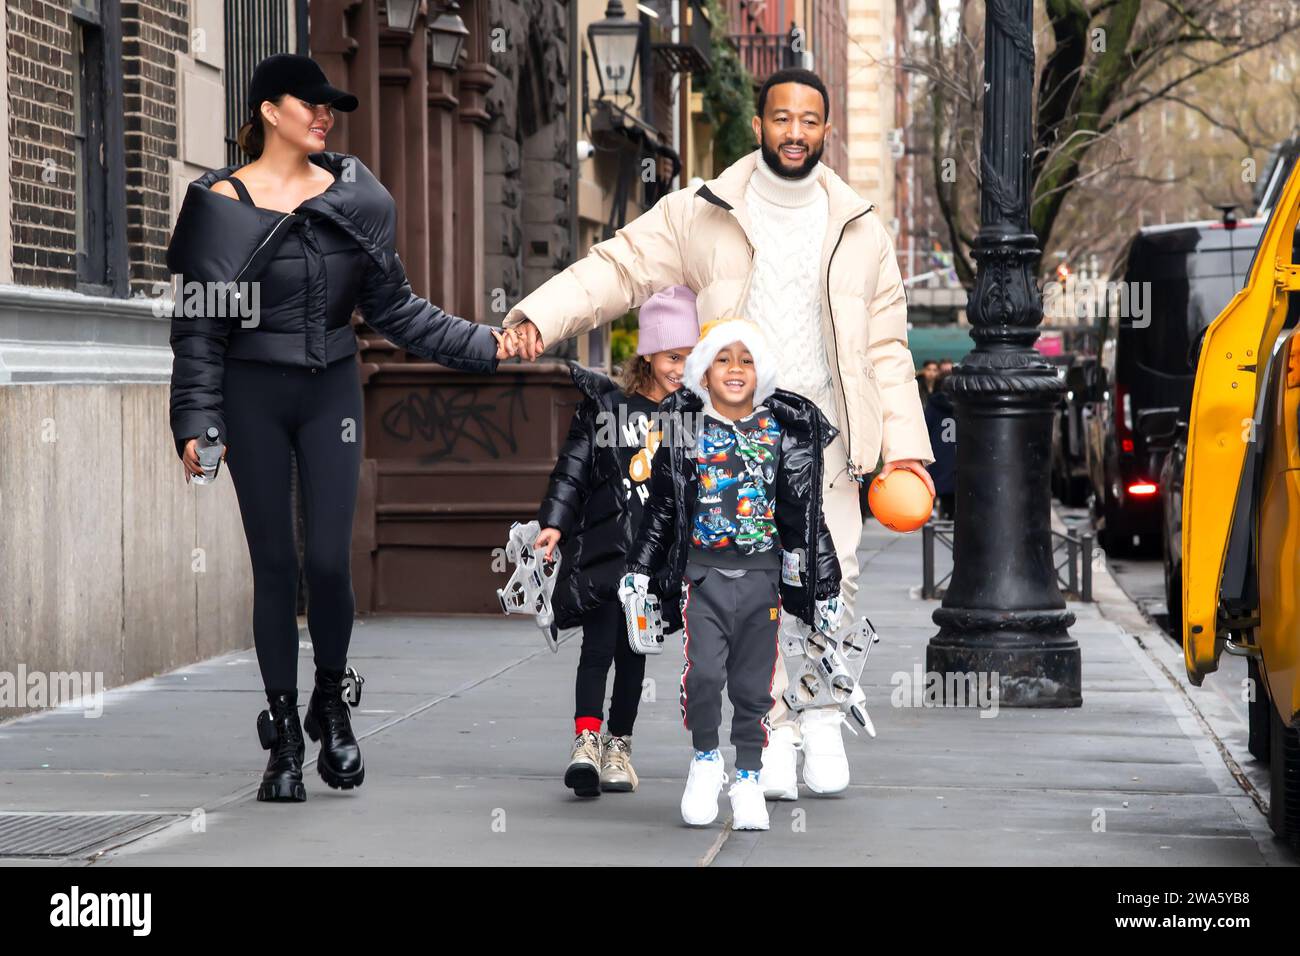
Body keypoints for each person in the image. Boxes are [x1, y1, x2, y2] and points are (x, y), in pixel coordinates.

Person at [505, 67, 934, 797]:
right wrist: (537, 317)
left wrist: (908, 452)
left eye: (809, 121)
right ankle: (770, 729)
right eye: (781, 118)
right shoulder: (703, 212)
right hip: (733, 430)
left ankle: (822, 712)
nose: (794, 132)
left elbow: (886, 349)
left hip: (824, 438)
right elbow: (619, 265)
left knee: (833, 578)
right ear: (758, 125)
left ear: (825, 130)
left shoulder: (861, 226)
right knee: (744, 581)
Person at [164, 53, 519, 803]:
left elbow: (398, 311)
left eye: (332, 106)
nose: (326, 115)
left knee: (327, 560)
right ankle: (284, 738)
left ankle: (332, 698)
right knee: (274, 566)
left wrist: (485, 344)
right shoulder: (219, 205)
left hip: (331, 389)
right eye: (312, 103)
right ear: (269, 110)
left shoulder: (358, 199)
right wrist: (196, 418)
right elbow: (199, 328)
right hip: (250, 393)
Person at [621, 317, 843, 830]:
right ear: (703, 374)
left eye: (746, 360)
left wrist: (824, 584)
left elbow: (805, 518)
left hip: (763, 580)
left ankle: (747, 776)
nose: (735, 369)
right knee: (703, 675)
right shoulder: (685, 432)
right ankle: (705, 760)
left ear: (761, 371)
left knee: (751, 686)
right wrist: (638, 570)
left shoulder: (780, 434)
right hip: (703, 579)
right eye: (723, 359)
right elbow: (661, 511)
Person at [532, 286, 699, 797]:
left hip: (653, 560)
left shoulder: (691, 417)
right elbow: (573, 469)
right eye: (674, 356)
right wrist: (555, 522)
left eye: (691, 359)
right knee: (598, 646)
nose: (681, 368)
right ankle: (586, 742)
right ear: (648, 353)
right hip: (606, 549)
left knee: (634, 651)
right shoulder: (606, 408)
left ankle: (618, 748)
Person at [925, 370, 956, 519]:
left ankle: (941, 512)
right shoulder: (966, 404)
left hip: (940, 455)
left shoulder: (933, 404)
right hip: (959, 456)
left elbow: (926, 428)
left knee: (944, 496)